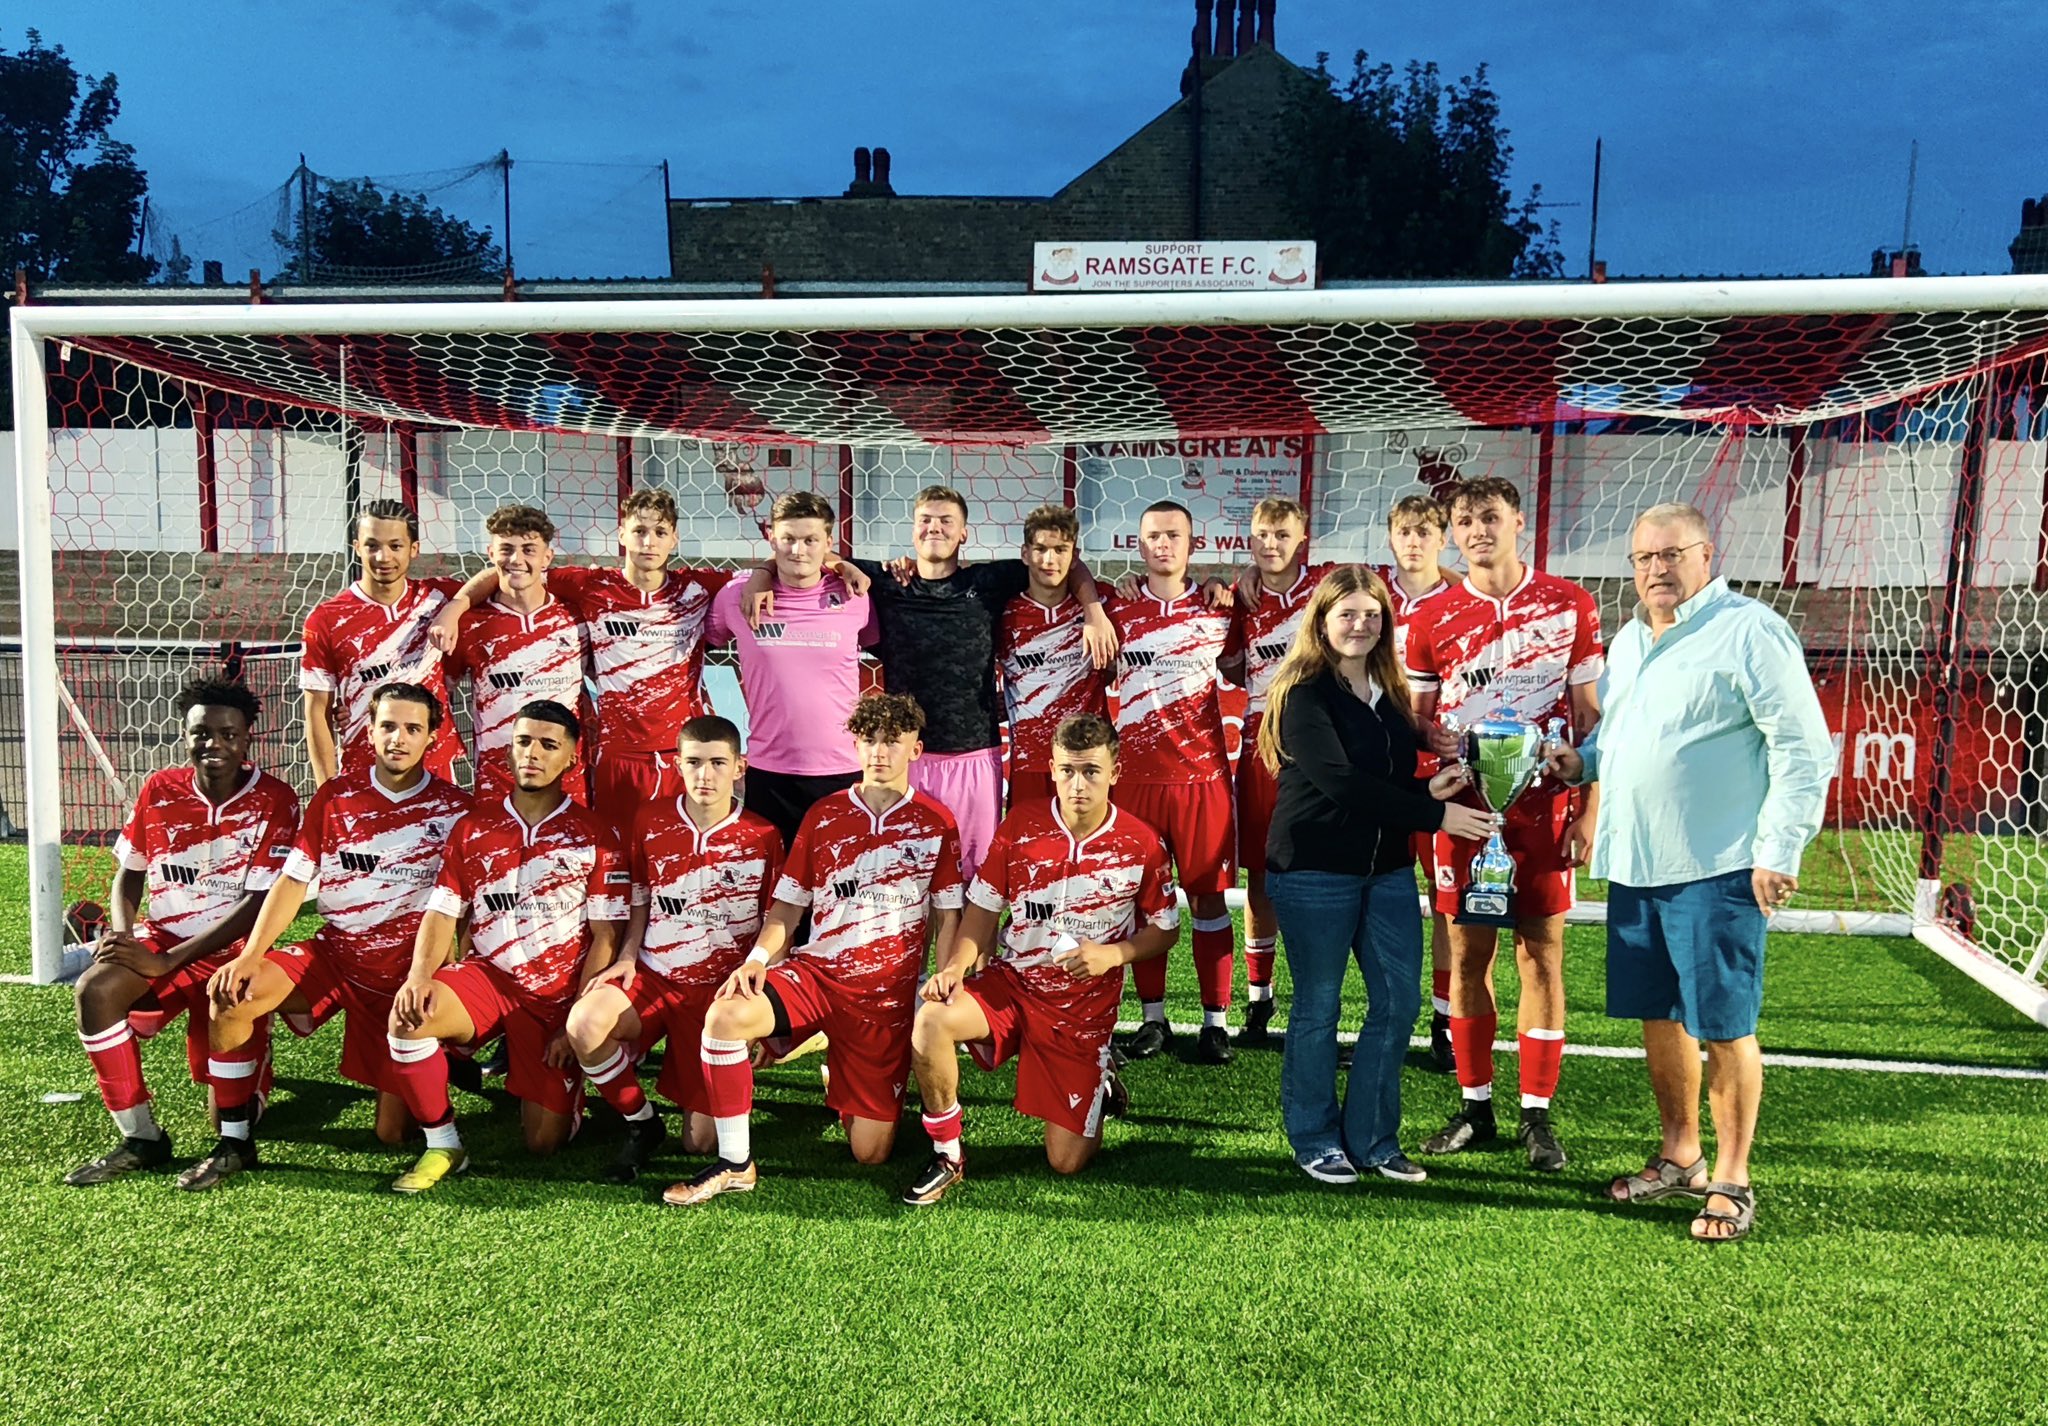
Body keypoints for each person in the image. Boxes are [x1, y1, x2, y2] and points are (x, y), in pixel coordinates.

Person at [1546, 503, 1832, 1243]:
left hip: (1719, 865)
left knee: (1725, 1026)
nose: (1657, 569)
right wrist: (1585, 763)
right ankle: (1682, 1155)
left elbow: (1803, 748)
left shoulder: (1750, 630)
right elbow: (1622, 735)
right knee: (1661, 1017)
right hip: (1638, 865)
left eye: (1672, 554)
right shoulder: (1632, 640)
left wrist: (1780, 849)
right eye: (1644, 558)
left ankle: (1733, 1179)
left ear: (1708, 555)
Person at [665, 693, 964, 1206]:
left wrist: (946, 974)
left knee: (870, 1151)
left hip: (883, 1000)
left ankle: (835, 1065)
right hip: (817, 977)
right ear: (855, 746)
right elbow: (787, 908)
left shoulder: (936, 822)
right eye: (869, 740)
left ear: (915, 750)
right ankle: (736, 1163)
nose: (879, 752)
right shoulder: (824, 815)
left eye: (892, 741)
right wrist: (757, 960)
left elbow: (949, 916)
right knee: (725, 1016)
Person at [1258, 567, 1496, 1184]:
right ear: (1321, 621)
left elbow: (1384, 781)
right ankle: (1315, 1139)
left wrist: (1427, 789)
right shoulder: (1303, 693)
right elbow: (1340, 783)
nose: (1360, 625)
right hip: (1313, 870)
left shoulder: (1389, 693)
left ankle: (1373, 1140)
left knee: (1398, 1002)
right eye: (1347, 614)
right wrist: (1435, 815)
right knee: (1319, 1006)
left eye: (1372, 615)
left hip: (1387, 870)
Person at [755, 485, 1114, 879]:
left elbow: (1066, 561)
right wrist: (763, 575)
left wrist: (1093, 611)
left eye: (946, 521)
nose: (935, 528)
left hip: (972, 757)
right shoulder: (886, 582)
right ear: (913, 529)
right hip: (904, 756)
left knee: (975, 879)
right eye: (925, 519)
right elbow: (806, 551)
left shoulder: (990, 581)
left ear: (964, 533)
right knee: (901, 878)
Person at [197, 682, 471, 1188]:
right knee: (233, 995)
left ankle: (435, 1060)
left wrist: (454, 976)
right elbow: (293, 881)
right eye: (388, 726)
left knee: (392, 1133)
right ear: (370, 731)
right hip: (334, 954)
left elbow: (464, 909)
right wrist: (251, 954)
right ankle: (235, 1143)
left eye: (413, 729)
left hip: (400, 975)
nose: (398, 739)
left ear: (433, 738)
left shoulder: (457, 810)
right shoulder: (335, 797)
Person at [1405, 476, 1603, 1173]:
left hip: (1544, 813)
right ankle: (1475, 1106)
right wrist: (1433, 748)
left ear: (1518, 522)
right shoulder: (1431, 617)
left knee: (1541, 957)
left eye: (1490, 517)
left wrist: (1589, 809)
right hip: (1465, 813)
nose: (1478, 531)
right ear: (1453, 533)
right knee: (1468, 959)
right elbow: (1417, 721)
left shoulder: (1570, 603)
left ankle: (1537, 1115)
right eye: (1464, 521)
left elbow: (1589, 720)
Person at [901, 713, 1179, 1204]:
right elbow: (982, 912)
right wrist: (954, 969)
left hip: (1081, 1011)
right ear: (1051, 769)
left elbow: (1166, 928)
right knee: (931, 1020)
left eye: (1091, 771)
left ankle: (1100, 1079)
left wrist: (1113, 955)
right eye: (1067, 771)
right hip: (1013, 986)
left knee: (1065, 1161)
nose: (1078, 785)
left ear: (1115, 773)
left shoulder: (1142, 843)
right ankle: (947, 1154)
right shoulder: (1020, 826)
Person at [381, 700, 628, 1193]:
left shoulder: (597, 834)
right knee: (408, 1018)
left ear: (571, 759)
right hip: (488, 979)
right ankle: (444, 1143)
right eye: (523, 742)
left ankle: (555, 1082)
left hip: (554, 997)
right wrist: (419, 976)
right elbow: (443, 911)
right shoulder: (473, 827)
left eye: (548, 745)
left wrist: (570, 1021)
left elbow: (606, 937)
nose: (532, 754)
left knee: (542, 1143)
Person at [64, 676, 300, 1187]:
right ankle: (141, 1138)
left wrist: (167, 962)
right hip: (163, 938)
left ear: (247, 737)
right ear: (185, 735)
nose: (213, 744)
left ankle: (243, 1110)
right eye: (201, 733)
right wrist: (125, 941)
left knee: (230, 1112)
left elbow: (258, 902)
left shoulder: (276, 799)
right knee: (95, 991)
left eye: (228, 734)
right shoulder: (160, 788)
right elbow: (129, 873)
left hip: (234, 950)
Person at [564, 715, 784, 1184]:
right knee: (584, 1023)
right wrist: (627, 956)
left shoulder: (763, 835)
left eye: (718, 763)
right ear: (677, 764)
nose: (705, 775)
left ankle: (708, 1077)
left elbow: (776, 922)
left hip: (718, 993)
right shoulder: (650, 819)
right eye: (694, 763)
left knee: (700, 1143)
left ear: (739, 767)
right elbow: (641, 897)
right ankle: (641, 1122)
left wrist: (764, 1013)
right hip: (655, 975)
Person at [1105, 500, 1239, 1064]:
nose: (1163, 544)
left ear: (1192, 545)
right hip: (1135, 779)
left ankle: (1215, 1023)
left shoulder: (1221, 609)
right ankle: (1153, 1019)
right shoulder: (1116, 608)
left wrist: (1225, 587)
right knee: (1145, 902)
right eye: (1153, 536)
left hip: (1202, 777)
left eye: (1173, 535)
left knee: (1209, 899)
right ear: (1139, 545)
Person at [704, 491, 876, 853]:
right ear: (771, 538)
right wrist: (761, 573)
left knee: (839, 882)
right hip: (770, 774)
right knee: (771, 883)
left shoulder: (855, 596)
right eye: (788, 539)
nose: (798, 550)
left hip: (842, 771)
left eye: (810, 540)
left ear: (828, 542)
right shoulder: (737, 597)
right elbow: (702, 642)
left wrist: (842, 565)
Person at [1219, 497, 1331, 1040]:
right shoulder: (1241, 600)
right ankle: (1258, 1002)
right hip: (1262, 749)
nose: (1271, 544)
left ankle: (1316, 1003)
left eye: (1282, 535)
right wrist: (1230, 586)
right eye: (1262, 534)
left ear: (1302, 537)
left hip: (1321, 750)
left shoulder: (1328, 587)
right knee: (1261, 879)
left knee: (1320, 880)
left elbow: (1415, 580)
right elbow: (1229, 664)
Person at [300, 499, 464, 786]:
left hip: (434, 767)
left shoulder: (439, 597)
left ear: (414, 549)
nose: (383, 557)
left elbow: (496, 578)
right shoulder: (326, 619)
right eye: (372, 545)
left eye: (395, 546)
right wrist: (326, 790)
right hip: (364, 771)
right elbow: (316, 711)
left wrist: (456, 607)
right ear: (357, 547)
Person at [1380, 493, 1459, 1071]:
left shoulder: (1459, 601)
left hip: (1439, 768)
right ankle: (1385, 1014)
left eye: (1424, 531)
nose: (1413, 541)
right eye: (1404, 531)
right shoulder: (1369, 593)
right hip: (1379, 767)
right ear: (1391, 537)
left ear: (1442, 539)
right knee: (1380, 895)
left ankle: (1444, 1019)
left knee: (1446, 900)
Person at [441, 505, 592, 805]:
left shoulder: (576, 619)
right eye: (506, 549)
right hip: (497, 785)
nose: (516, 560)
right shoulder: (469, 624)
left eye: (528, 550)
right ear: (490, 553)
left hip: (568, 785)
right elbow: (437, 692)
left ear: (547, 557)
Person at [997, 505, 1111, 810]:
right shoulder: (1002, 613)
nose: (1049, 560)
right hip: (1029, 764)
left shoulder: (1103, 604)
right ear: (1025, 554)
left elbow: (1152, 593)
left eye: (1060, 550)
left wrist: (1216, 585)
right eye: (1040, 549)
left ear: (1075, 556)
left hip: (1087, 761)